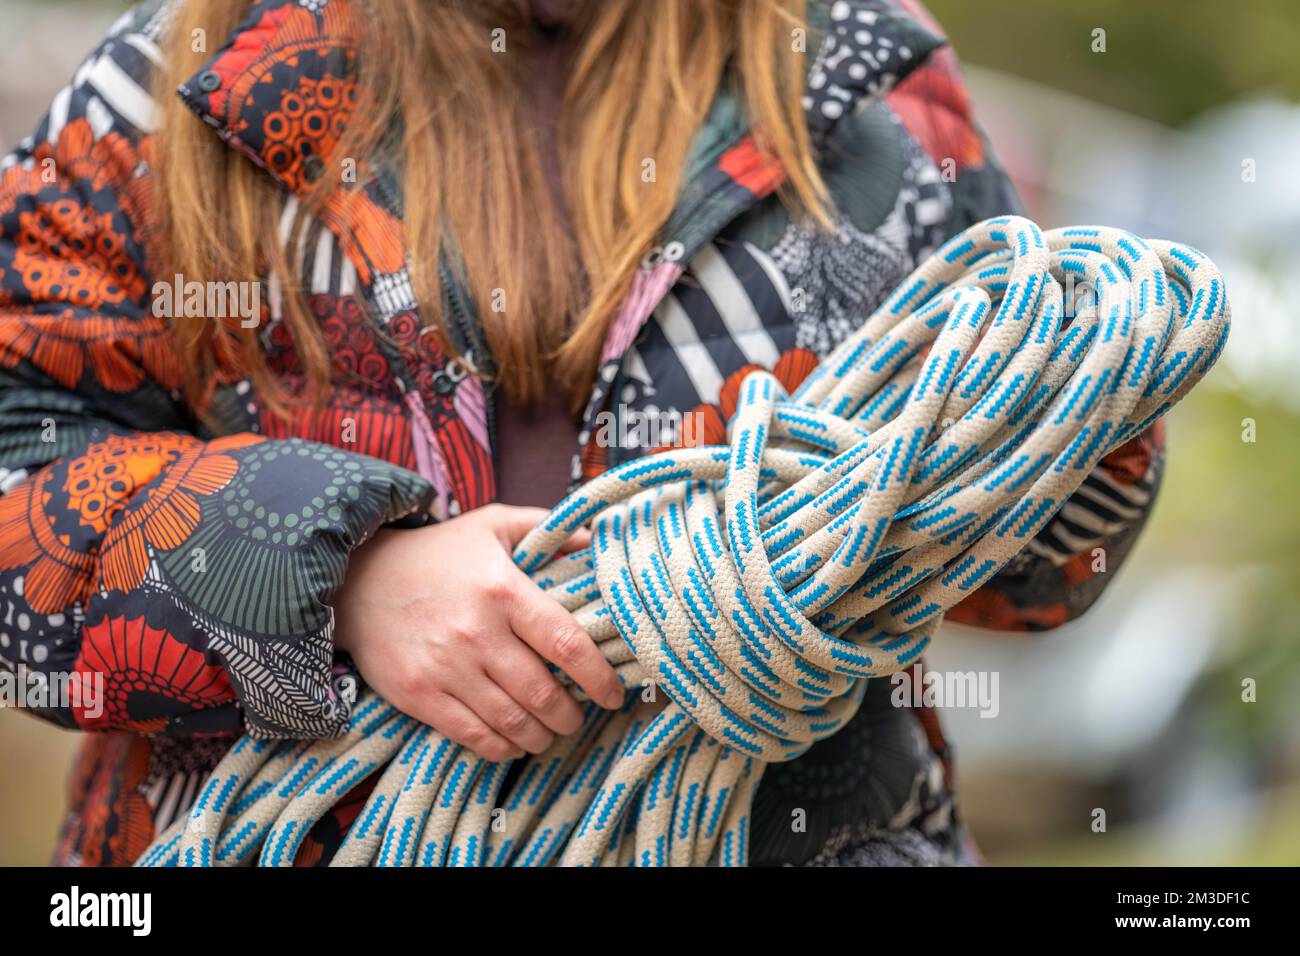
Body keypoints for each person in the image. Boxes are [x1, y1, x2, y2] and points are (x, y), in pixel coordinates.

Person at [0, 0, 1163, 867]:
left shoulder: (866, 74)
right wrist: (344, 578)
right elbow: (18, 488)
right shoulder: (178, 86)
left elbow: (1042, 582)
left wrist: (1062, 410)